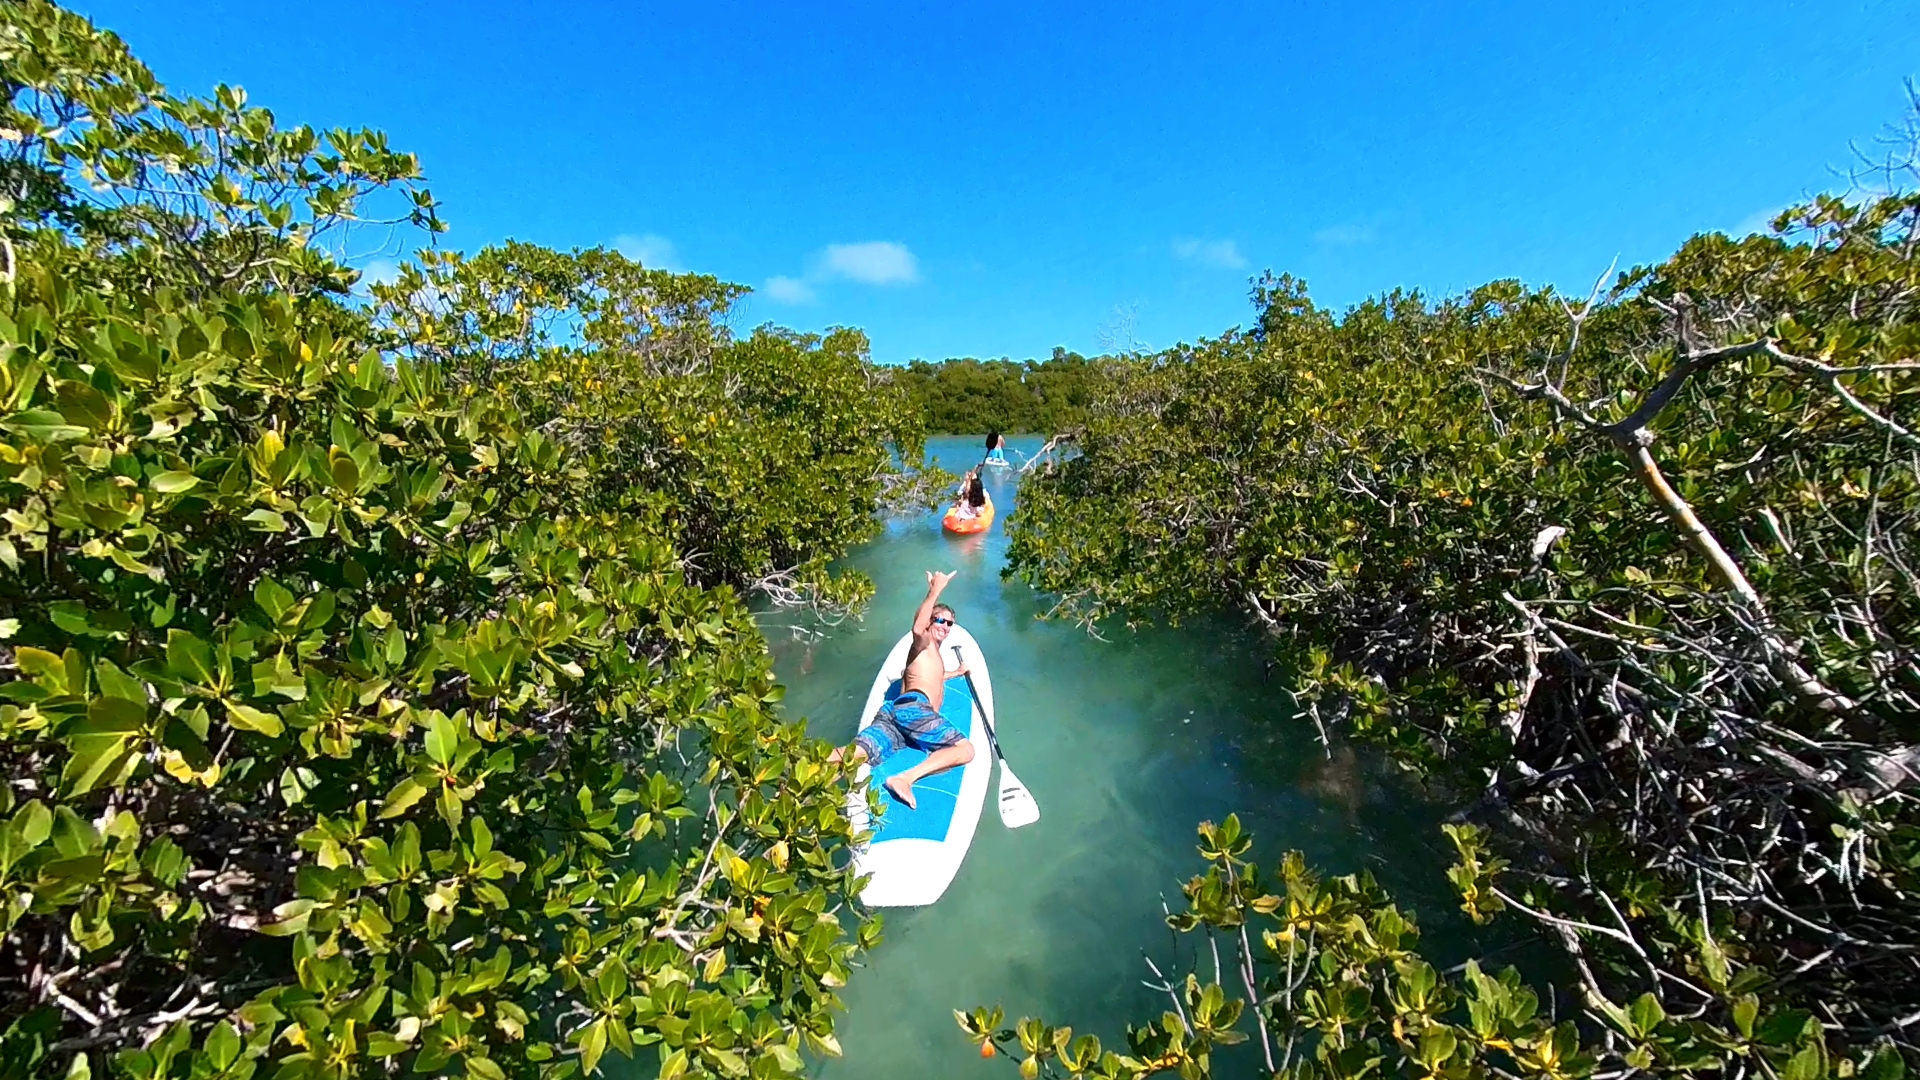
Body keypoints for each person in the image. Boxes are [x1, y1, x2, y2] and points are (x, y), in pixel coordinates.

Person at [830, 570, 976, 808]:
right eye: (940, 620)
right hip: (914, 710)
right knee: (965, 750)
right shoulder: (924, 642)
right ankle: (904, 779)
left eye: (950, 623)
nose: (946, 626)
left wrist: (956, 673)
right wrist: (935, 589)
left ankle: (801, 778)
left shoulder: (931, 655)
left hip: (897, 716)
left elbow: (925, 677)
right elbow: (917, 629)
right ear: (930, 621)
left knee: (856, 754)